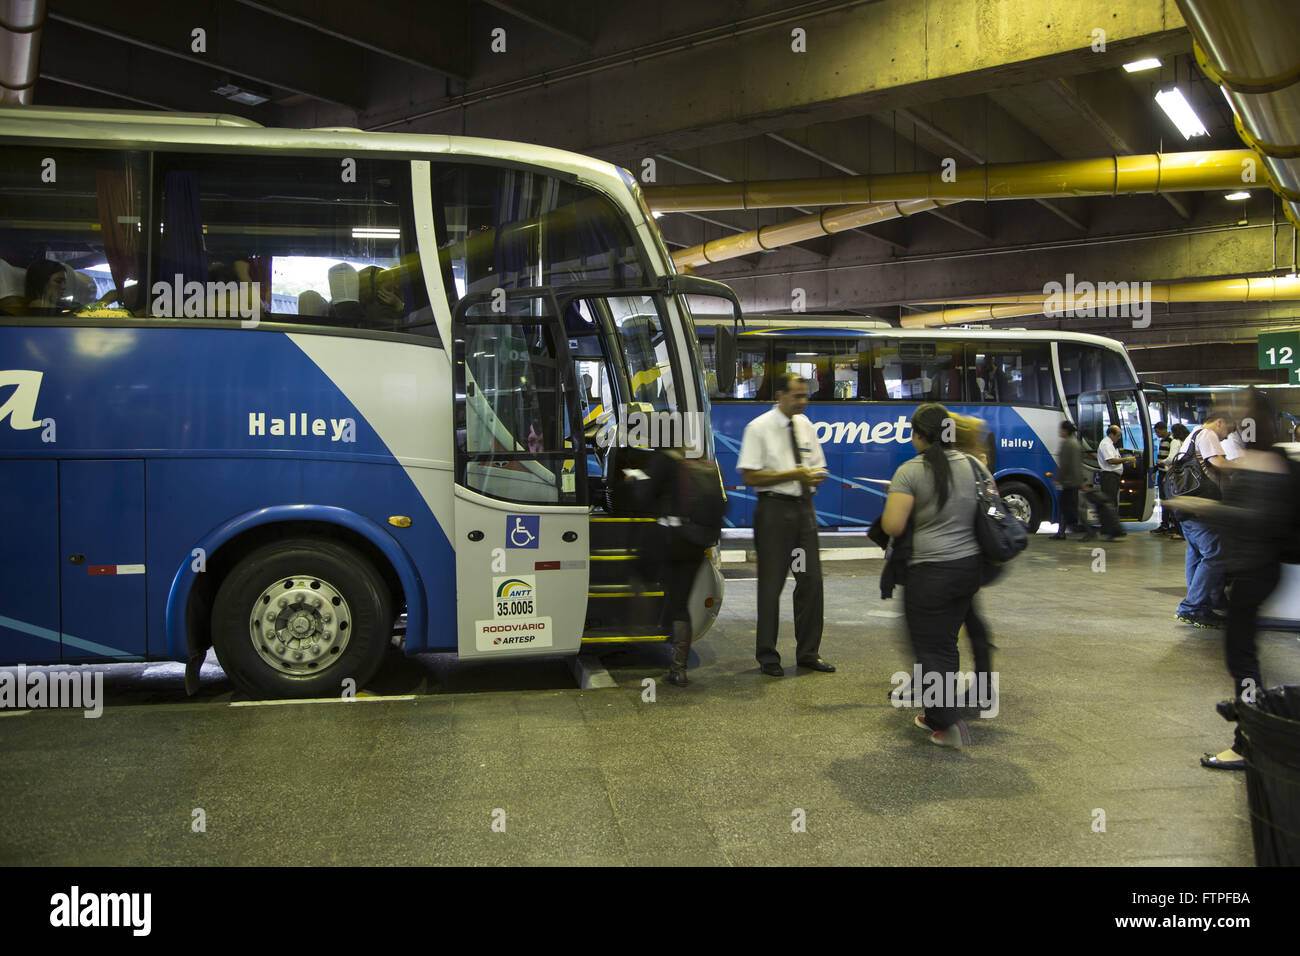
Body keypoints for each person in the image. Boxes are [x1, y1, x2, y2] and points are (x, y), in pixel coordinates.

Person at [1168, 390, 1297, 769]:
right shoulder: (1274, 459)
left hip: (1254, 571)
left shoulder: (1262, 464)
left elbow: (1255, 520)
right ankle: (1249, 718)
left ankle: (1247, 739)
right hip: (1259, 571)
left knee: (1241, 659)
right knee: (1243, 658)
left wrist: (1202, 506)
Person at [880, 403, 993, 748]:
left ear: (918, 435)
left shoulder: (910, 471)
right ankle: (935, 716)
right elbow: (990, 508)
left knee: (928, 648)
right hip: (968, 570)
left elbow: (893, 525)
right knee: (944, 645)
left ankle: (948, 723)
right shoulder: (974, 465)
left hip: (929, 574)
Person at [737, 371, 834, 677]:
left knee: (810, 582)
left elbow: (817, 463)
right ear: (780, 396)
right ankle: (768, 656)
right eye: (797, 396)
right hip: (774, 515)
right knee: (771, 586)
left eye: (805, 396)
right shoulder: (758, 428)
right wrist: (793, 475)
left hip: (803, 513)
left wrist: (815, 474)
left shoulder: (805, 425)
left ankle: (808, 653)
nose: (803, 402)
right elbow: (750, 476)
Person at [1171, 409, 1236, 628]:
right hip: (1201, 507)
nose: (1226, 437)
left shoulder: (1191, 435)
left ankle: (1200, 607)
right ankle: (1191, 607)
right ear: (1219, 422)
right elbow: (1218, 462)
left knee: (1197, 554)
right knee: (1216, 554)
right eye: (1228, 431)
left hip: (1186, 507)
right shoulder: (1208, 435)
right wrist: (1248, 465)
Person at [1095, 425, 1135, 517]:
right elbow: (1110, 460)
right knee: (1110, 503)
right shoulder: (1106, 444)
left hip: (1113, 477)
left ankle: (1111, 526)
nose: (1119, 438)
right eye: (1118, 435)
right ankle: (1109, 527)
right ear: (1111, 434)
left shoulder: (1111, 445)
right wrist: (1126, 459)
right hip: (1109, 477)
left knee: (1112, 502)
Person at [1151, 421, 1177, 535]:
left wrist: (1161, 463)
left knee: (1168, 499)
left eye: (1157, 432)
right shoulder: (1162, 441)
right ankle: (1165, 523)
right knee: (1163, 500)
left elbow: (1170, 458)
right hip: (1161, 473)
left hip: (1167, 474)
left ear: (1163, 429)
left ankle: (1170, 524)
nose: (1156, 434)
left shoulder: (1172, 441)